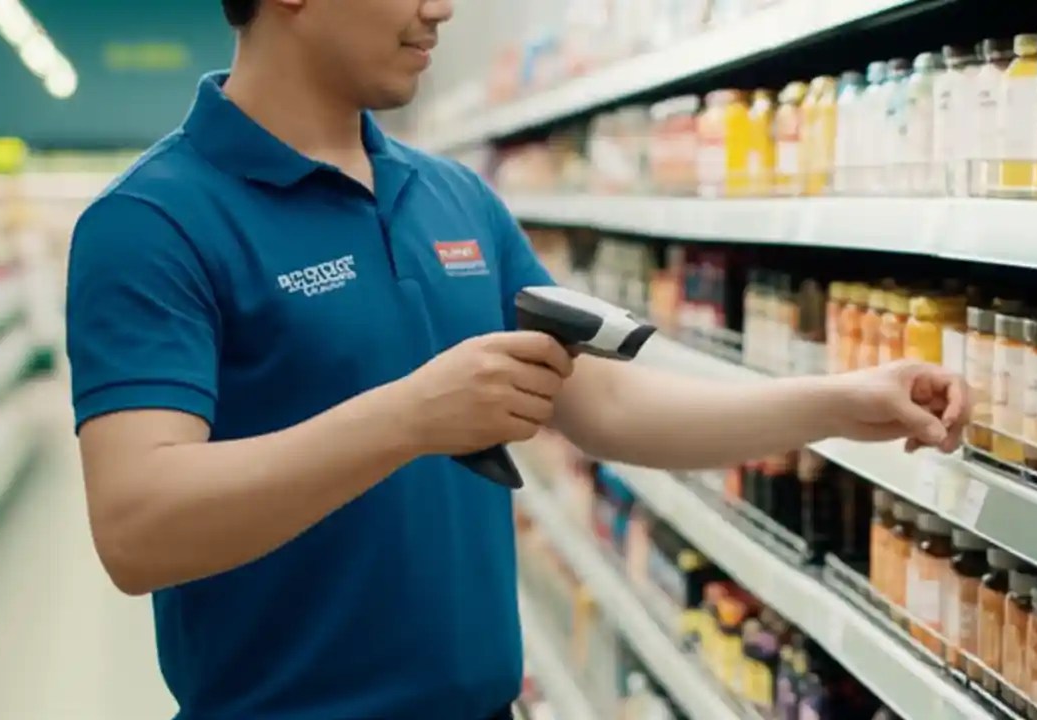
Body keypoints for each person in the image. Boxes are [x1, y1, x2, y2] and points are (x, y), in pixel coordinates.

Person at [65, 1, 969, 718]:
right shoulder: (152, 223)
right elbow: (140, 528)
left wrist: (840, 401)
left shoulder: (452, 196)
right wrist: (413, 417)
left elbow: (609, 409)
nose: (443, 8)